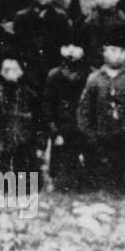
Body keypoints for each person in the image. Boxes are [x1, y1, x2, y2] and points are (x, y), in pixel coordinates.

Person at [77, 28, 125, 194]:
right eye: (112, 50)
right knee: (104, 171)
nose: (117, 55)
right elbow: (84, 110)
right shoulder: (94, 79)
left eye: (122, 51)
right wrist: (89, 134)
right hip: (103, 136)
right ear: (104, 52)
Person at [42, 35, 89, 191]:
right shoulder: (54, 75)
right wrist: (54, 130)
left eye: (75, 46)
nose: (71, 50)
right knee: (62, 168)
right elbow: (48, 105)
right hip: (62, 129)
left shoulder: (90, 75)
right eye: (67, 45)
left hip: (84, 128)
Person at [12, 0, 72, 92]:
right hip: (29, 69)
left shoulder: (60, 17)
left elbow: (67, 42)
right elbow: (16, 44)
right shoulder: (22, 17)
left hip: (54, 67)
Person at [0, 56, 40, 174]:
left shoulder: (28, 93)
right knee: (1, 168)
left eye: (14, 70)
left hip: (24, 137)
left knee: (24, 168)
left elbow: (37, 117)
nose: (11, 73)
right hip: (2, 137)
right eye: (7, 70)